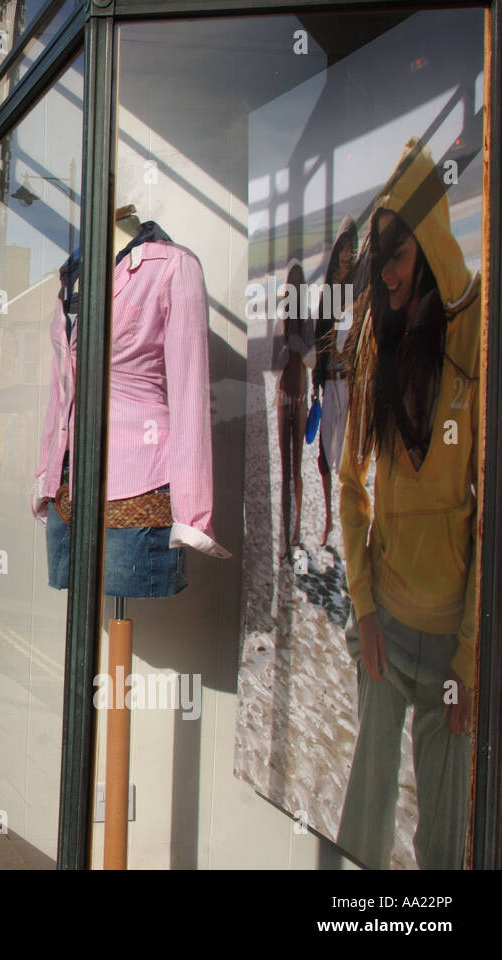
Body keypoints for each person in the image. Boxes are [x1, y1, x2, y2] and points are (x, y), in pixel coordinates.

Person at [336, 139, 480, 869]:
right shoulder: (374, 344)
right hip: (385, 634)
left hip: (454, 641)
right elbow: (350, 483)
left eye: (397, 252)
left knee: (444, 845)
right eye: (377, 256)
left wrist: (471, 657)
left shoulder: (477, 335)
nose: (386, 271)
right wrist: (362, 609)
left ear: (427, 242)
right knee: (364, 820)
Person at [312, 217, 363, 545]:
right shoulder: (331, 291)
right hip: (330, 384)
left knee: (347, 456)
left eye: (352, 248)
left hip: (351, 383)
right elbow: (320, 341)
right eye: (345, 248)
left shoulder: (361, 289)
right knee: (325, 456)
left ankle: (345, 521)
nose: (349, 254)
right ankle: (329, 517)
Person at [270, 260, 314, 555]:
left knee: (295, 468)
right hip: (286, 398)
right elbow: (274, 367)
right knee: (286, 470)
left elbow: (312, 361)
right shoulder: (280, 319)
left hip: (298, 400)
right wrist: (288, 351)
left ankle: (295, 528)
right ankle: (286, 533)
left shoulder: (306, 319)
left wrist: (300, 348)